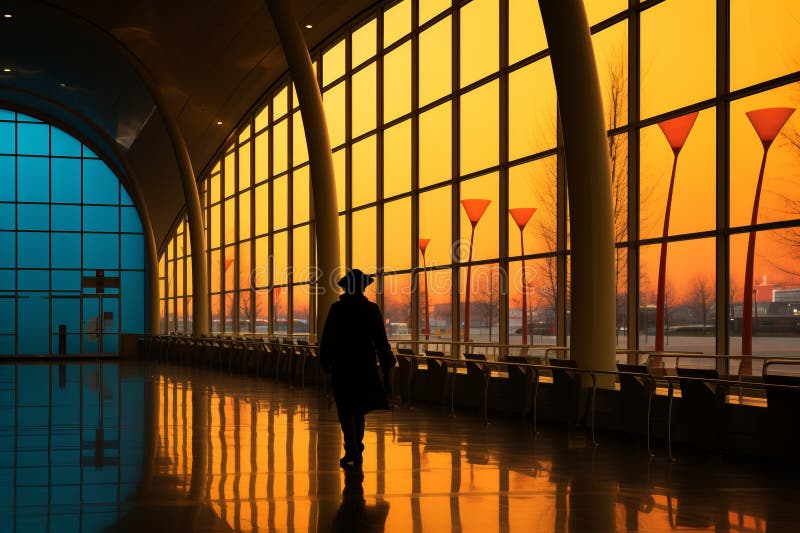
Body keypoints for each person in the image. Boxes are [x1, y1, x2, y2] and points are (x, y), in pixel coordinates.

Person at [320, 268, 396, 468]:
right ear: (362, 287)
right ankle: (357, 445)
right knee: (359, 407)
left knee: (345, 407)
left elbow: (328, 338)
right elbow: (380, 340)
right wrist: (387, 363)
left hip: (342, 364)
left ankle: (351, 446)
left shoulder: (337, 309)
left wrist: (325, 362)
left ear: (346, 288)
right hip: (364, 364)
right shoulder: (371, 310)